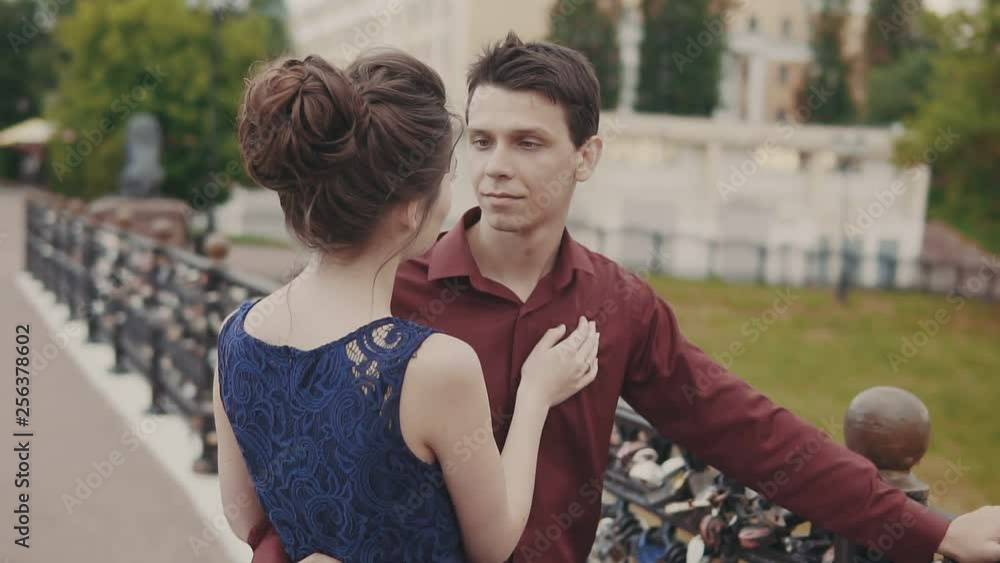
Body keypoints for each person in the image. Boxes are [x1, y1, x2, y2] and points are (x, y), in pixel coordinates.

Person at [249, 33, 1000, 563]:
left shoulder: (618, 304)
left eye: (528, 143)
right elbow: (284, 447)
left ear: (588, 155)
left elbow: (753, 433)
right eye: (480, 141)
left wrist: (927, 529)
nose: (496, 167)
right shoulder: (390, 288)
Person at [213, 51, 603, 563]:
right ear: (410, 210)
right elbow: (493, 543)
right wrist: (535, 395)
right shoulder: (433, 365)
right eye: (448, 176)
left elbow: (244, 515)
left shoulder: (237, 334)